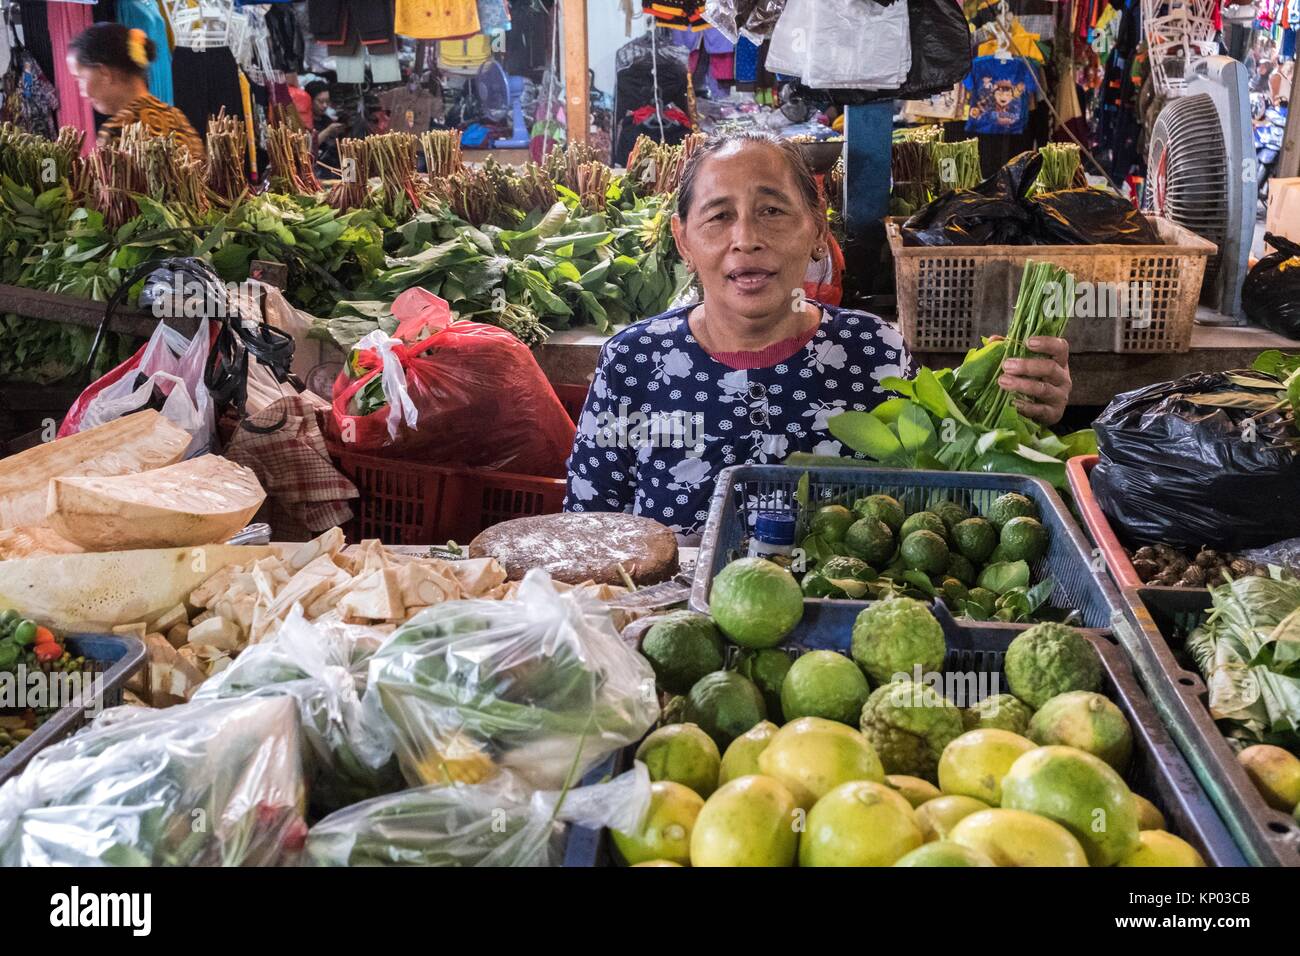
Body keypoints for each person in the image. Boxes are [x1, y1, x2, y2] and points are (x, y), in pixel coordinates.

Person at [564, 131, 1072, 540]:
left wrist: (1023, 416)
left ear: (815, 232)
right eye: (719, 216)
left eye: (772, 211)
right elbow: (585, 528)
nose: (746, 239)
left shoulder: (873, 352)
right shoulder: (634, 361)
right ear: (684, 241)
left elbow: (944, 506)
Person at [66, 23, 204, 161]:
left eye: (81, 79)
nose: (82, 92)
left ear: (104, 73)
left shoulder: (118, 131)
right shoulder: (177, 117)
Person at [306, 79, 345, 172]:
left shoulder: (327, 120)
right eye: (320, 101)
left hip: (334, 170)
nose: (324, 105)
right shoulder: (305, 122)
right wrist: (328, 131)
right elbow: (307, 147)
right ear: (310, 100)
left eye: (327, 101)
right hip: (315, 171)